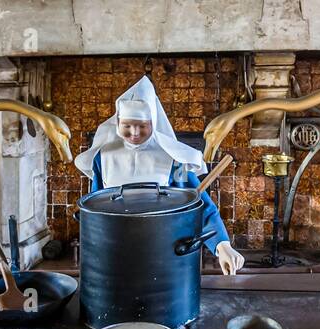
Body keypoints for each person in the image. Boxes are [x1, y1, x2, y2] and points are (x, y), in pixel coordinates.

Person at [74, 75, 244, 275]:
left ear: (153, 122)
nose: (134, 132)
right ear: (117, 122)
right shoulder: (102, 157)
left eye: (142, 125)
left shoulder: (173, 159)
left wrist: (222, 246)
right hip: (115, 249)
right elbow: (95, 209)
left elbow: (200, 205)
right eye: (127, 125)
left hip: (164, 252)